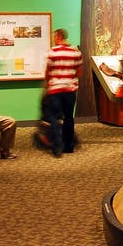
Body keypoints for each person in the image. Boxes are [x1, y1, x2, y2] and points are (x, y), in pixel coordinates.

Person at [43, 28, 83, 157]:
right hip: (70, 90)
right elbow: (79, 72)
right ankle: (69, 146)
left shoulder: (53, 52)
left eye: (55, 36)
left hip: (55, 90)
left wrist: (47, 85)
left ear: (59, 36)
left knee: (54, 117)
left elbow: (48, 71)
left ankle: (57, 146)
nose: (54, 39)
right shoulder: (76, 53)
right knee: (69, 117)